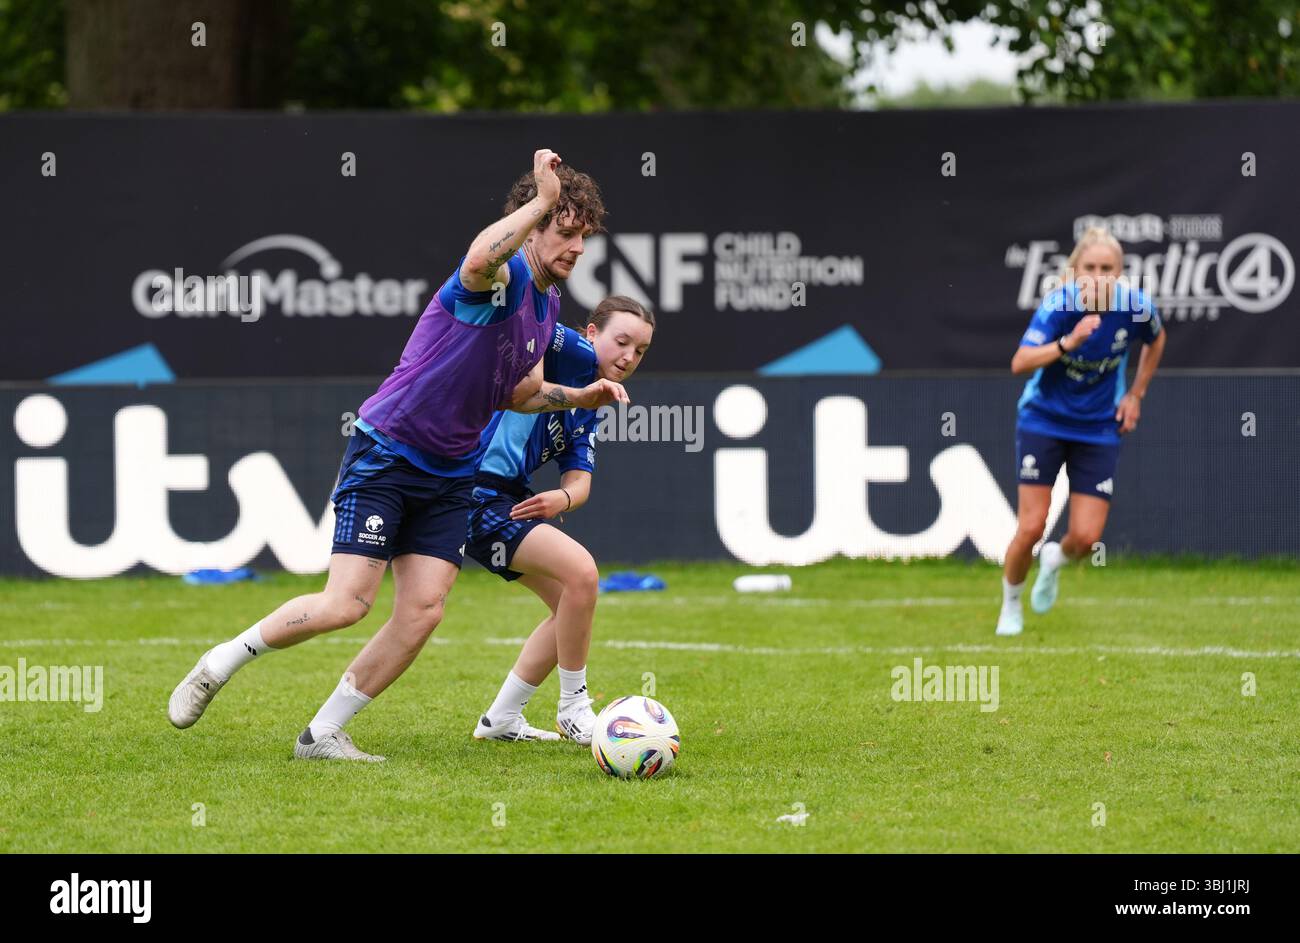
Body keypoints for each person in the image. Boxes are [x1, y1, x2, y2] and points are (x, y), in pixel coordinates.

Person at [168, 149, 629, 761]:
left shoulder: (544, 310)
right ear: (533, 222)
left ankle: (322, 734)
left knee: (423, 611)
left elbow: (521, 392)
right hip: (389, 450)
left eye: (581, 237)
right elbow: (478, 257)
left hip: (452, 471)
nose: (575, 248)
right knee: (346, 605)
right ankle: (220, 661)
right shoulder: (505, 275)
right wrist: (542, 201)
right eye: (564, 232)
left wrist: (581, 394)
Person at [467, 296, 655, 744]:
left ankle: (501, 720)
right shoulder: (570, 350)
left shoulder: (591, 403)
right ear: (591, 333)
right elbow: (520, 326)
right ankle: (574, 709)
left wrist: (564, 498)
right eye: (621, 342)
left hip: (508, 497)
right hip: (471, 491)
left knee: (569, 604)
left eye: (640, 350)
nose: (628, 357)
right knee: (583, 574)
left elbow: (579, 479)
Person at [996, 226, 1166, 636]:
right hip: (1044, 421)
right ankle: (1011, 605)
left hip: (1098, 427)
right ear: (1074, 271)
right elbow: (1019, 363)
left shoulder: (1135, 306)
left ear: (1120, 272)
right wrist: (1067, 344)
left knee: (1086, 539)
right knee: (1031, 527)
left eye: (1107, 268)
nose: (1098, 275)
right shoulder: (1059, 305)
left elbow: (1156, 341)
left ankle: (1054, 562)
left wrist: (1136, 395)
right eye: (1089, 267)